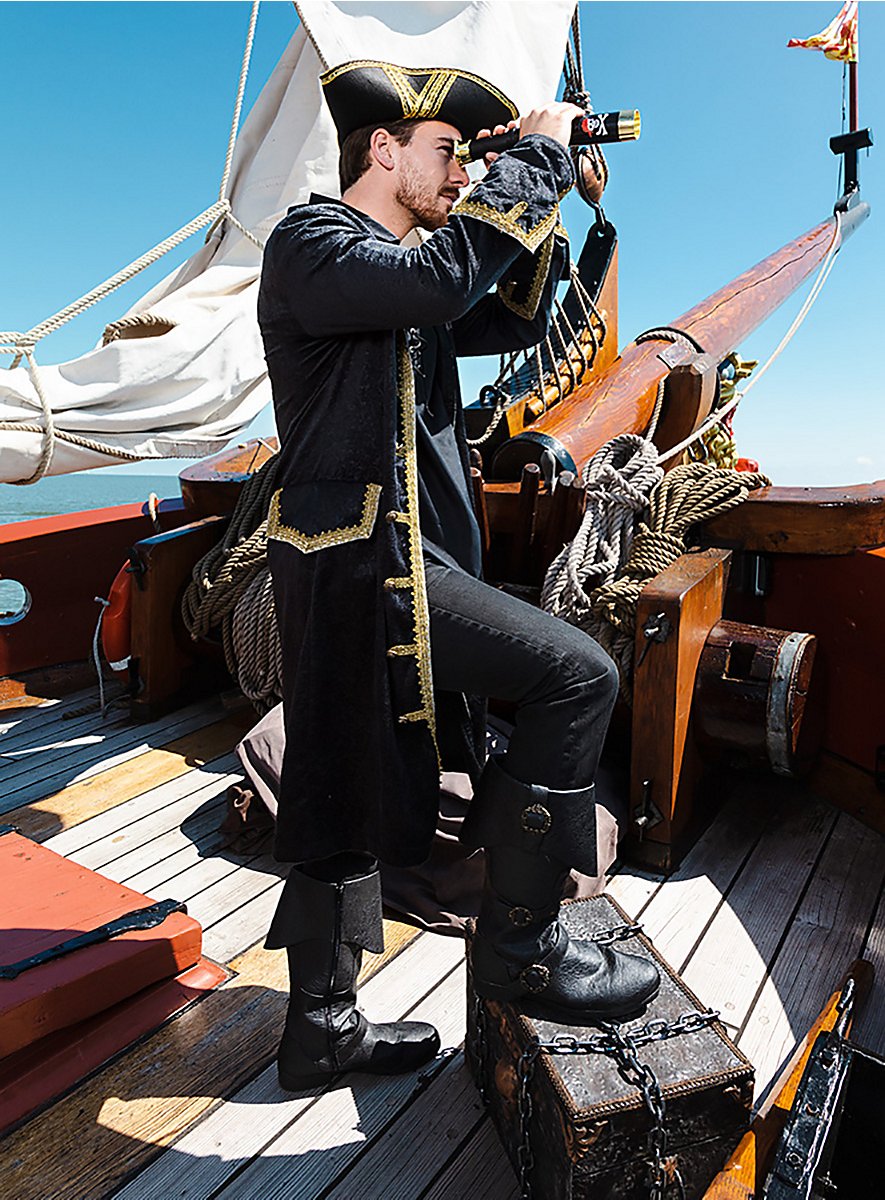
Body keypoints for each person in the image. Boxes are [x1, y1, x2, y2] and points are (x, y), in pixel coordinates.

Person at [257, 60, 659, 1092]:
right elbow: (444, 278)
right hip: (359, 565)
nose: (458, 173)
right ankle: (521, 947)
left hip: (390, 561)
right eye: (447, 152)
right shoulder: (315, 245)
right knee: (578, 675)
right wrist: (531, 155)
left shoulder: (401, 274)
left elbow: (510, 313)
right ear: (380, 149)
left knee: (339, 791)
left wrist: (559, 187)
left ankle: (322, 1027)